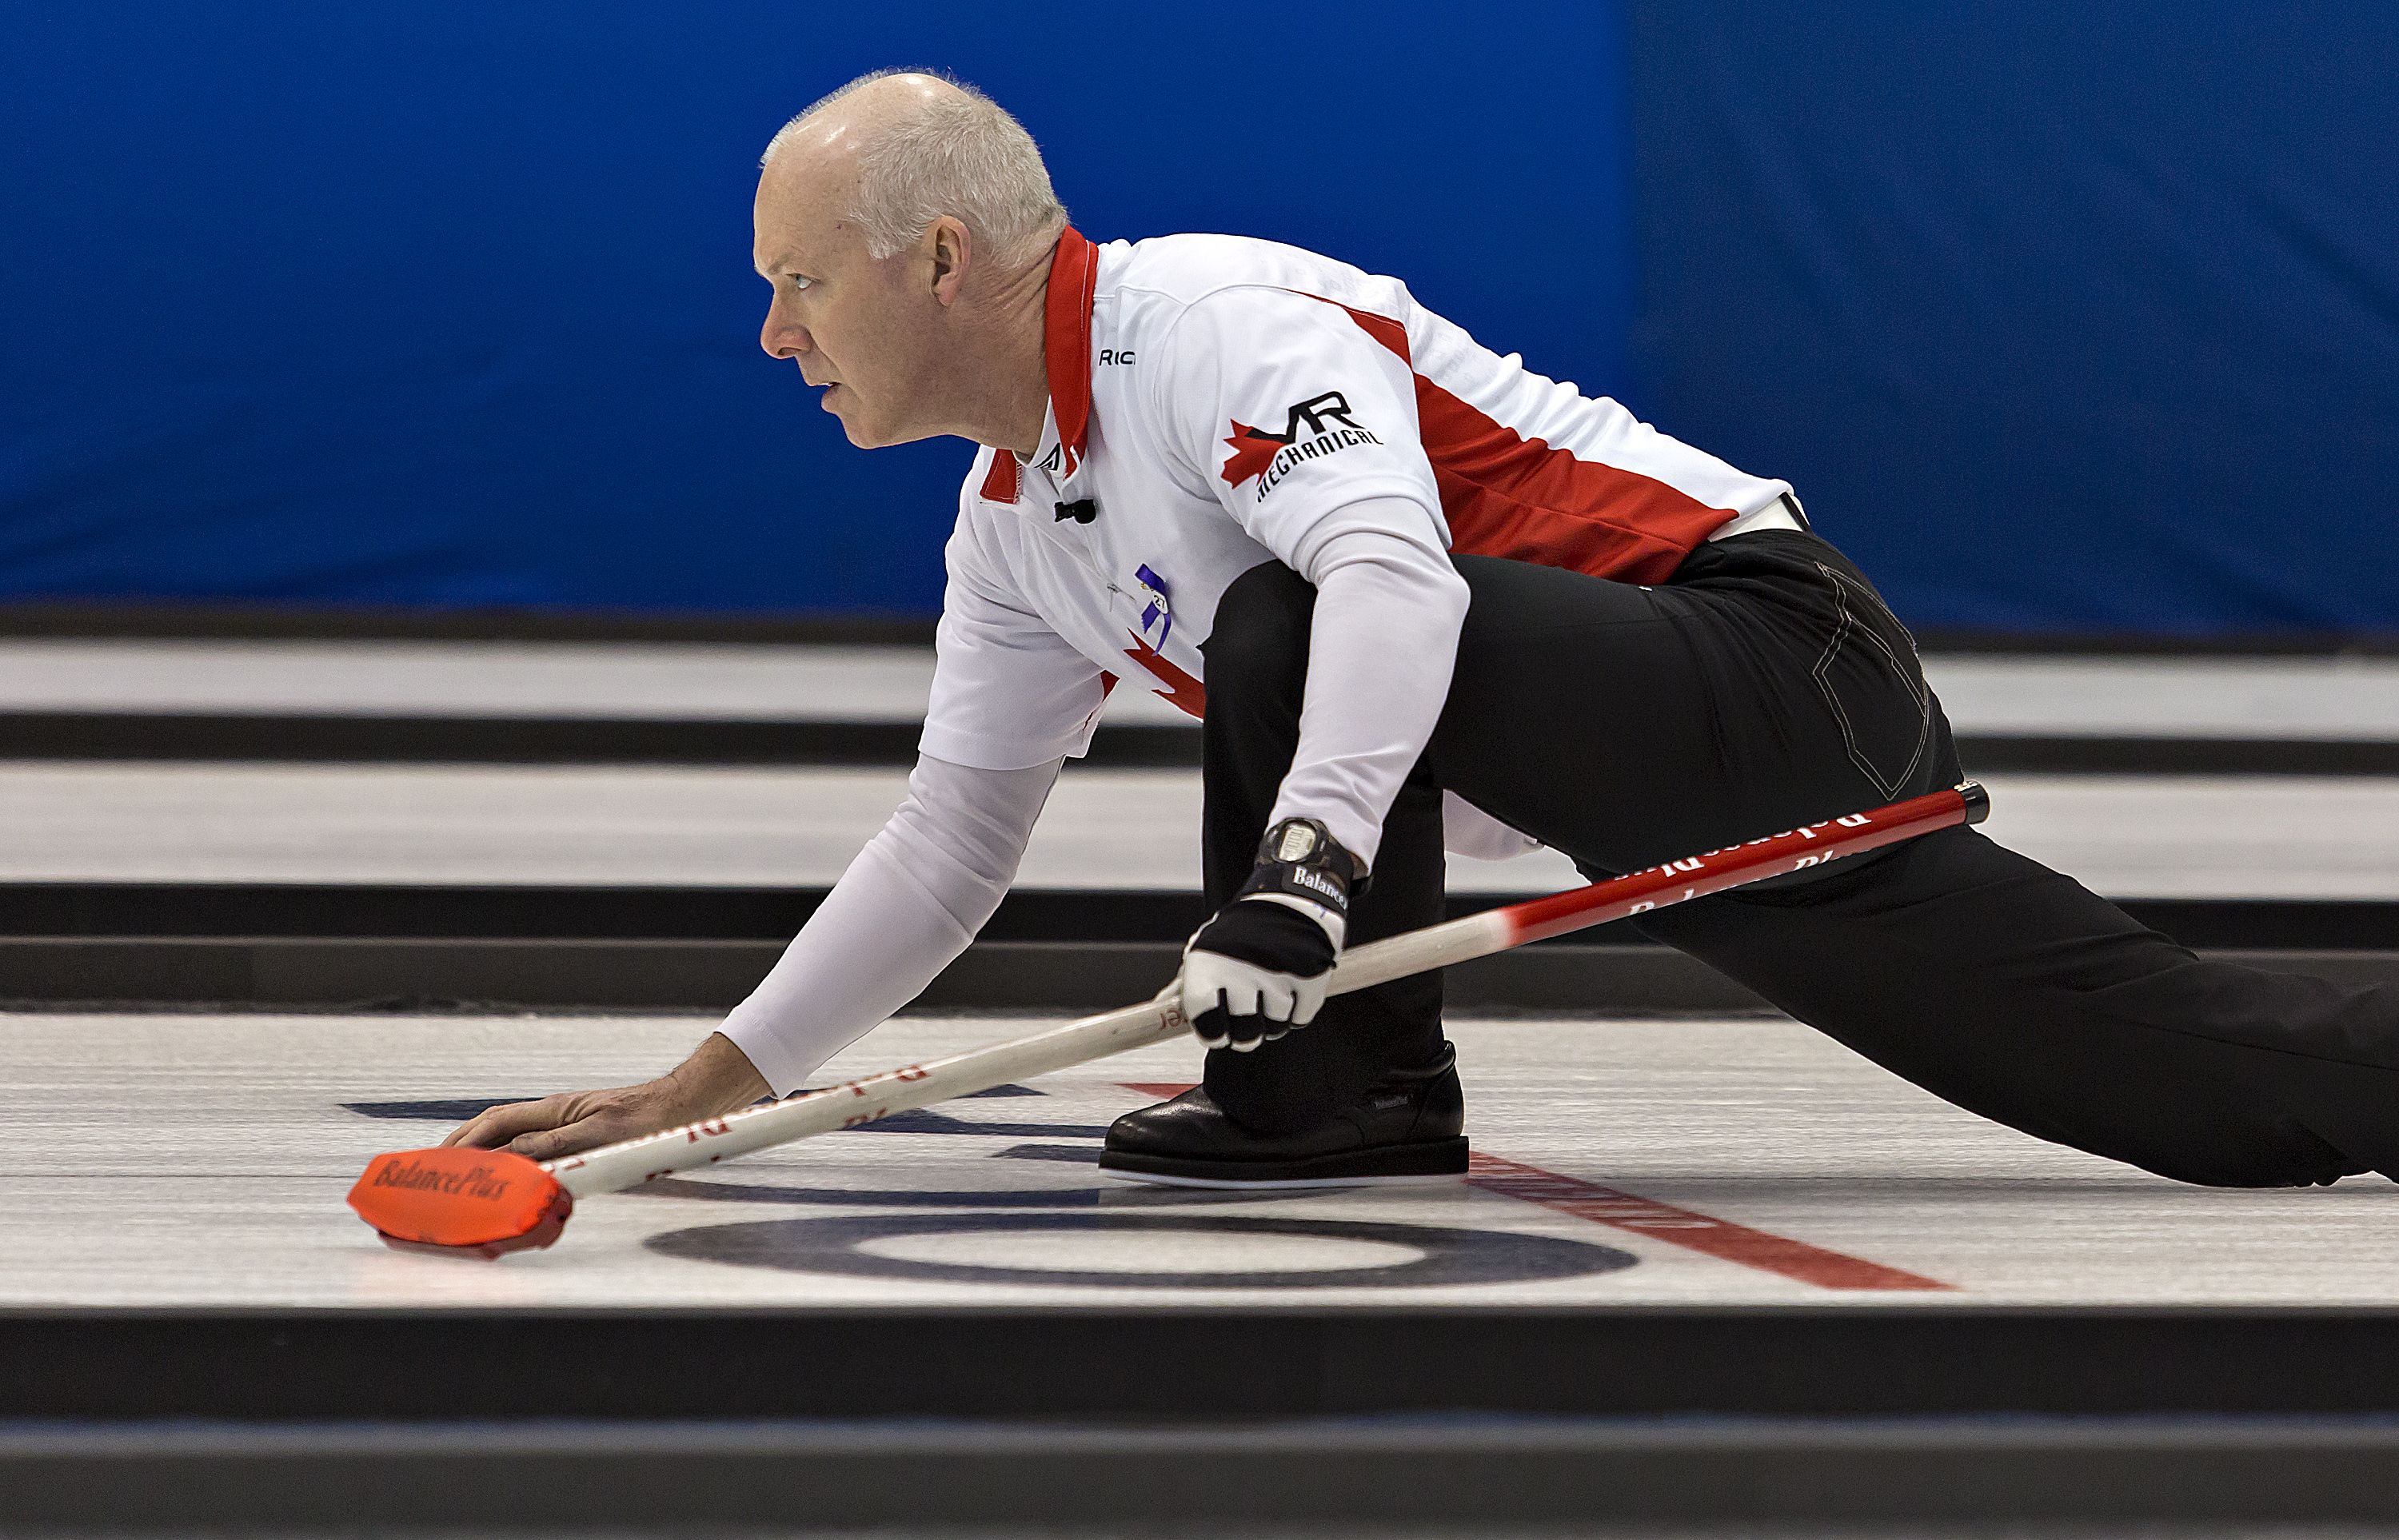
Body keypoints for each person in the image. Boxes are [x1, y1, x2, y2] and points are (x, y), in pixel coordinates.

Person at [447, 70, 2399, 1190]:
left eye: (800, 283)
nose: (776, 336)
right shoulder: (1011, 530)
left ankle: (1349, 1089)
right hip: (1629, 762)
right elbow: (950, 845)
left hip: (1769, 662)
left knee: (1290, 612)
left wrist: (1302, 884)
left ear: (939, 258)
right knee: (2178, 1080)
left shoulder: (1210, 328)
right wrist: (714, 1083)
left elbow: (1393, 586)